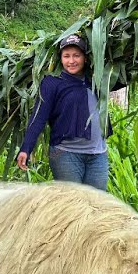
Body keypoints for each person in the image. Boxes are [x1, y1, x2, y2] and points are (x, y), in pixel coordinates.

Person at [15, 33, 110, 191]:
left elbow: (124, 76)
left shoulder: (97, 79)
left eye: (76, 56)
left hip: (98, 154)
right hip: (64, 154)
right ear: (60, 59)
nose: (71, 61)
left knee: (97, 205)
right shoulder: (52, 83)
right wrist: (26, 147)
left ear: (85, 58)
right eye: (66, 56)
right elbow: (38, 117)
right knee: (72, 204)